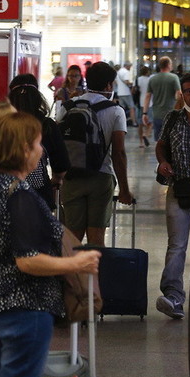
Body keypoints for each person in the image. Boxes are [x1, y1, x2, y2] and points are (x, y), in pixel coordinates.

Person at [0, 112, 101, 377]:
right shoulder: (20, 196)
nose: (42, 150)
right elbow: (28, 261)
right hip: (27, 311)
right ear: (24, 149)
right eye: (38, 143)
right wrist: (77, 264)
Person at [154, 73, 190, 321]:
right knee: (176, 245)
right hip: (180, 189)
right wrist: (163, 161)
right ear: (182, 94)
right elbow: (161, 144)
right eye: (189, 91)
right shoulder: (174, 118)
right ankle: (173, 296)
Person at [56, 62, 133, 246]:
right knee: (96, 238)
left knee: (72, 236)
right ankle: (94, 275)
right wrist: (124, 189)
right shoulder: (116, 111)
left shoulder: (67, 106)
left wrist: (57, 177)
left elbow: (59, 144)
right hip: (101, 176)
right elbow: (119, 153)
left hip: (72, 177)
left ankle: (70, 274)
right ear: (108, 85)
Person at [7, 85, 69, 206]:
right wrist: (57, 179)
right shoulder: (46, 125)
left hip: (8, 191)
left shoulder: (4, 124)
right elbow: (61, 160)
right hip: (39, 192)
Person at [143, 57, 181, 143]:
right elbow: (179, 94)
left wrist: (144, 113)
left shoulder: (152, 79)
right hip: (171, 114)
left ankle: (159, 155)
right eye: (171, 64)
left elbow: (147, 96)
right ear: (168, 65)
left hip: (157, 114)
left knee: (159, 140)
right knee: (171, 139)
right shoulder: (174, 77)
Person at [135, 65, 152, 147]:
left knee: (140, 124)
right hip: (149, 103)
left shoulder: (138, 80)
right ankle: (145, 134)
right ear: (147, 72)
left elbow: (134, 90)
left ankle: (141, 142)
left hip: (140, 103)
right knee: (150, 122)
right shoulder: (150, 80)